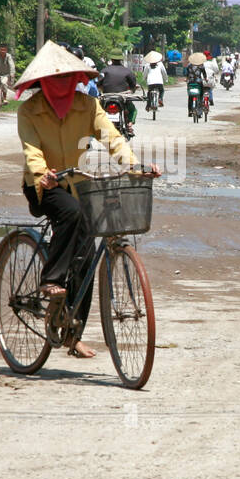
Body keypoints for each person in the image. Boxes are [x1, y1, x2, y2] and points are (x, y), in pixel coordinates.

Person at [15, 41, 160, 359]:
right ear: (42, 82)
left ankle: (73, 334)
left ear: (78, 78)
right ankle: (50, 279)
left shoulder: (88, 105)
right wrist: (44, 176)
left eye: (68, 77)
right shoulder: (29, 110)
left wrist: (134, 166)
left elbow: (112, 138)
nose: (63, 83)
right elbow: (32, 151)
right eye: (55, 78)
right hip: (43, 185)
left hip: (76, 182)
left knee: (86, 257)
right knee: (71, 213)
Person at [98, 54, 139, 130]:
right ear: (121, 60)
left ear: (112, 59)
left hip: (106, 98)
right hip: (122, 98)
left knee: (97, 111)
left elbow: (98, 83)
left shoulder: (104, 70)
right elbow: (133, 85)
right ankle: (129, 124)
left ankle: (95, 129)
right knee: (133, 110)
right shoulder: (127, 71)